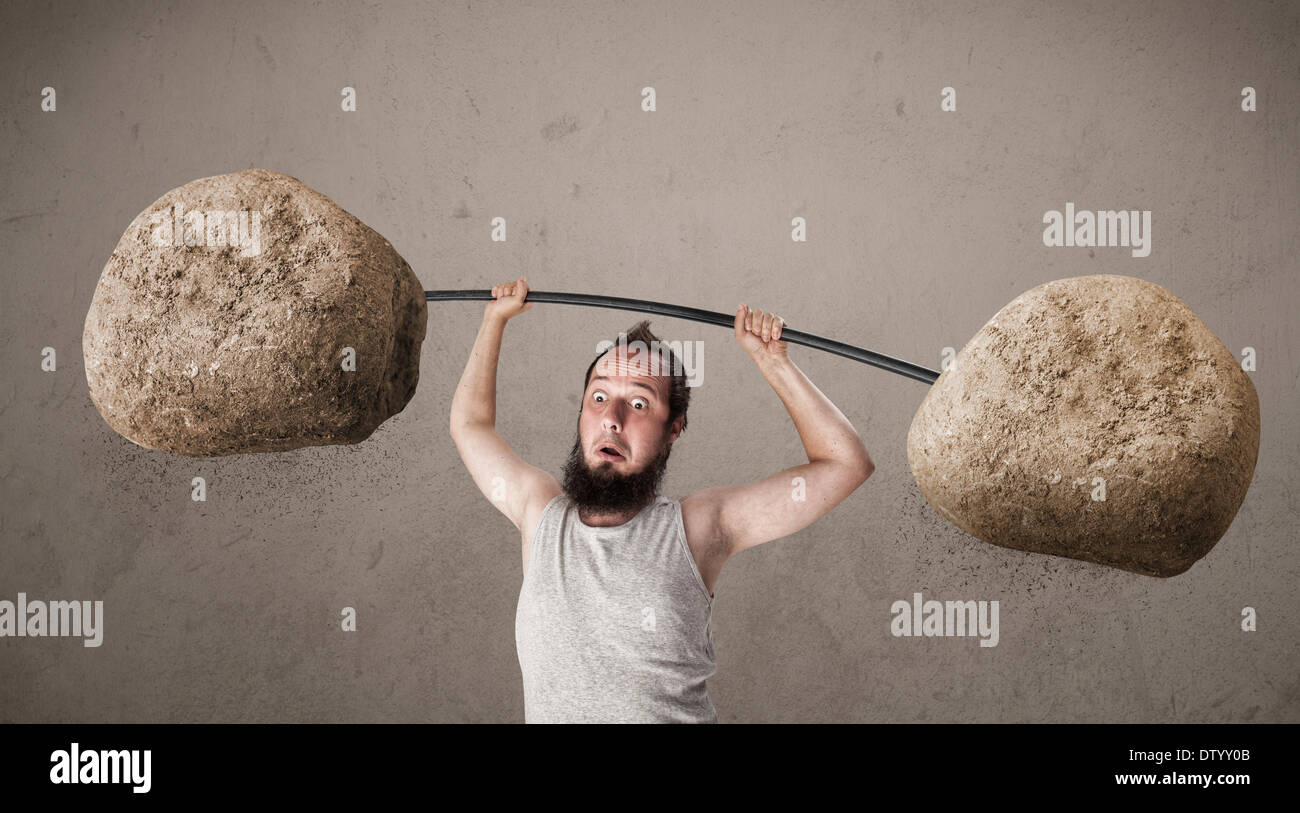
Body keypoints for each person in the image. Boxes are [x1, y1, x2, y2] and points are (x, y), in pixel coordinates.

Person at [450, 276, 874, 723]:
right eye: (599, 397)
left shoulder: (698, 528)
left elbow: (845, 465)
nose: (611, 420)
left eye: (638, 404)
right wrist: (493, 320)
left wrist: (774, 363)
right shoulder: (540, 515)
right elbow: (470, 425)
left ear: (674, 428)